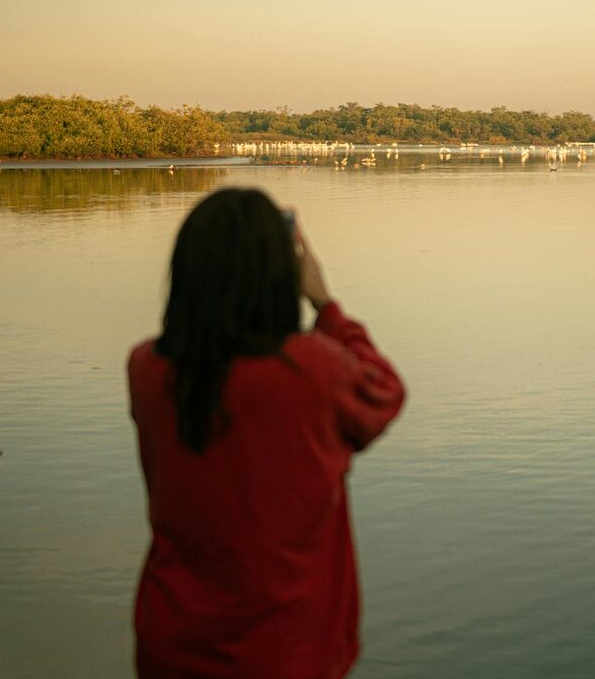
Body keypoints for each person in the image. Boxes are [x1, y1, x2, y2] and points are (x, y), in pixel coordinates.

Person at [127, 188, 405, 678]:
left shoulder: (148, 369)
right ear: (282, 274)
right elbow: (385, 392)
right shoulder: (312, 373)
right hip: (287, 653)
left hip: (171, 645)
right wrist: (325, 304)